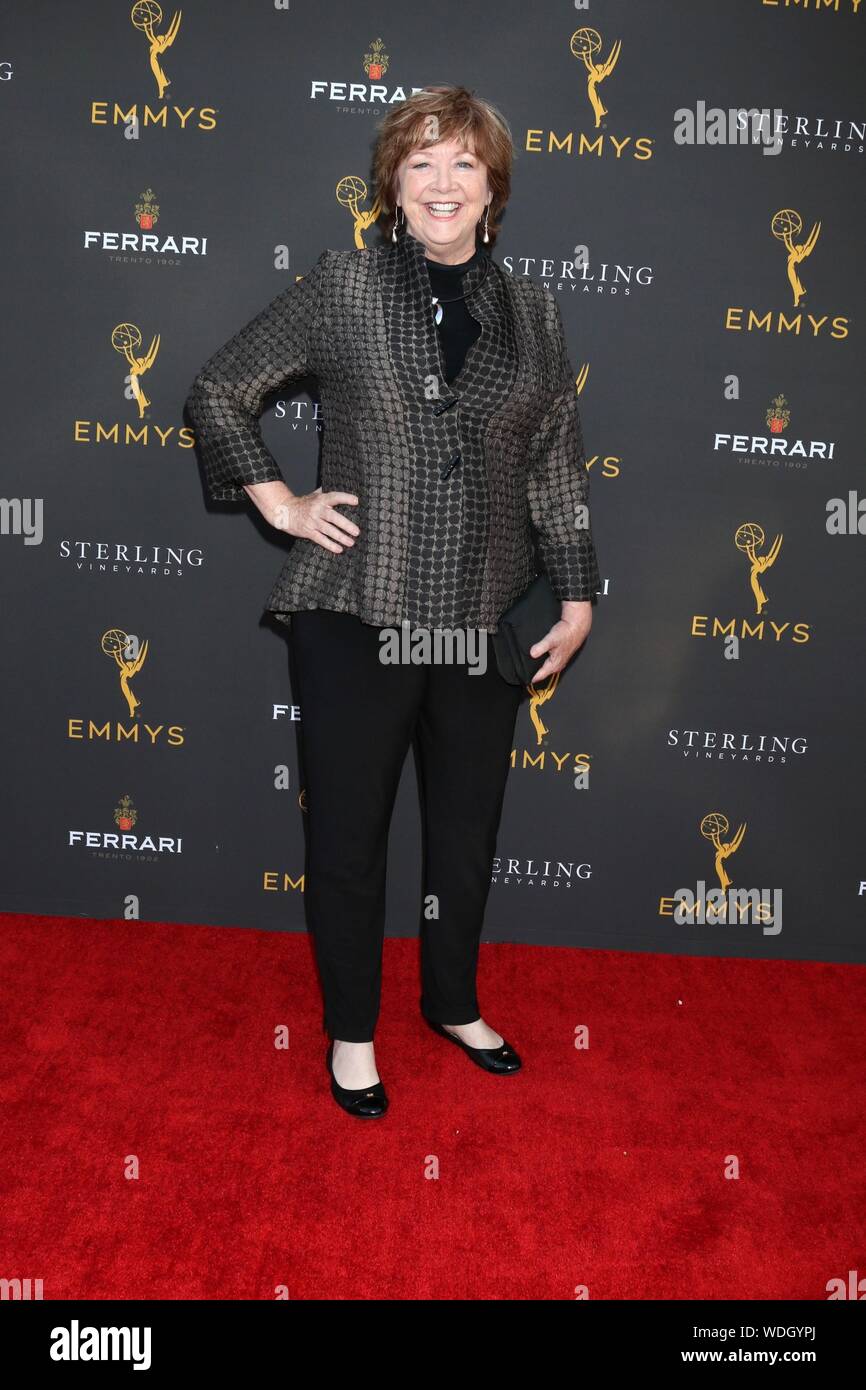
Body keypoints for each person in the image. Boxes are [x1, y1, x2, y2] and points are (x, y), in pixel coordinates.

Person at [185, 85, 600, 1118]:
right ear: (392, 186)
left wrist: (580, 593)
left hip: (481, 619)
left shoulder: (536, 313)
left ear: (492, 188)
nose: (442, 182)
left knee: (464, 832)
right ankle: (352, 1034)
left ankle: (452, 1002)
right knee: (349, 839)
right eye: (421, 163)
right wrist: (278, 500)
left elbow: (552, 465)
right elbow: (218, 388)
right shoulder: (342, 286)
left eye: (463, 163)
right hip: (354, 610)